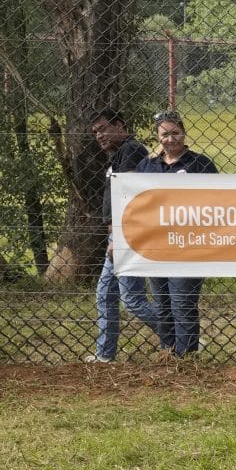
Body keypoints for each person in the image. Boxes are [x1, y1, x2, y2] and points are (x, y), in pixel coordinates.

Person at [137, 111, 218, 359]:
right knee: (162, 305)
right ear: (157, 136)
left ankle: (186, 358)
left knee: (182, 304)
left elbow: (217, 202)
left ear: (184, 133)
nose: (170, 139)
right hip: (156, 244)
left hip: (189, 245)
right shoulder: (147, 165)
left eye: (175, 133)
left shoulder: (200, 165)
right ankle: (168, 354)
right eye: (164, 134)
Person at [90, 109, 164, 362]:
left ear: (120, 125)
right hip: (117, 233)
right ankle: (105, 354)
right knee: (105, 294)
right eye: (95, 132)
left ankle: (181, 335)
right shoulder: (118, 154)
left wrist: (120, 235)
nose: (99, 136)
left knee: (132, 299)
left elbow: (131, 195)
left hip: (127, 233)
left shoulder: (131, 150)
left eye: (103, 128)